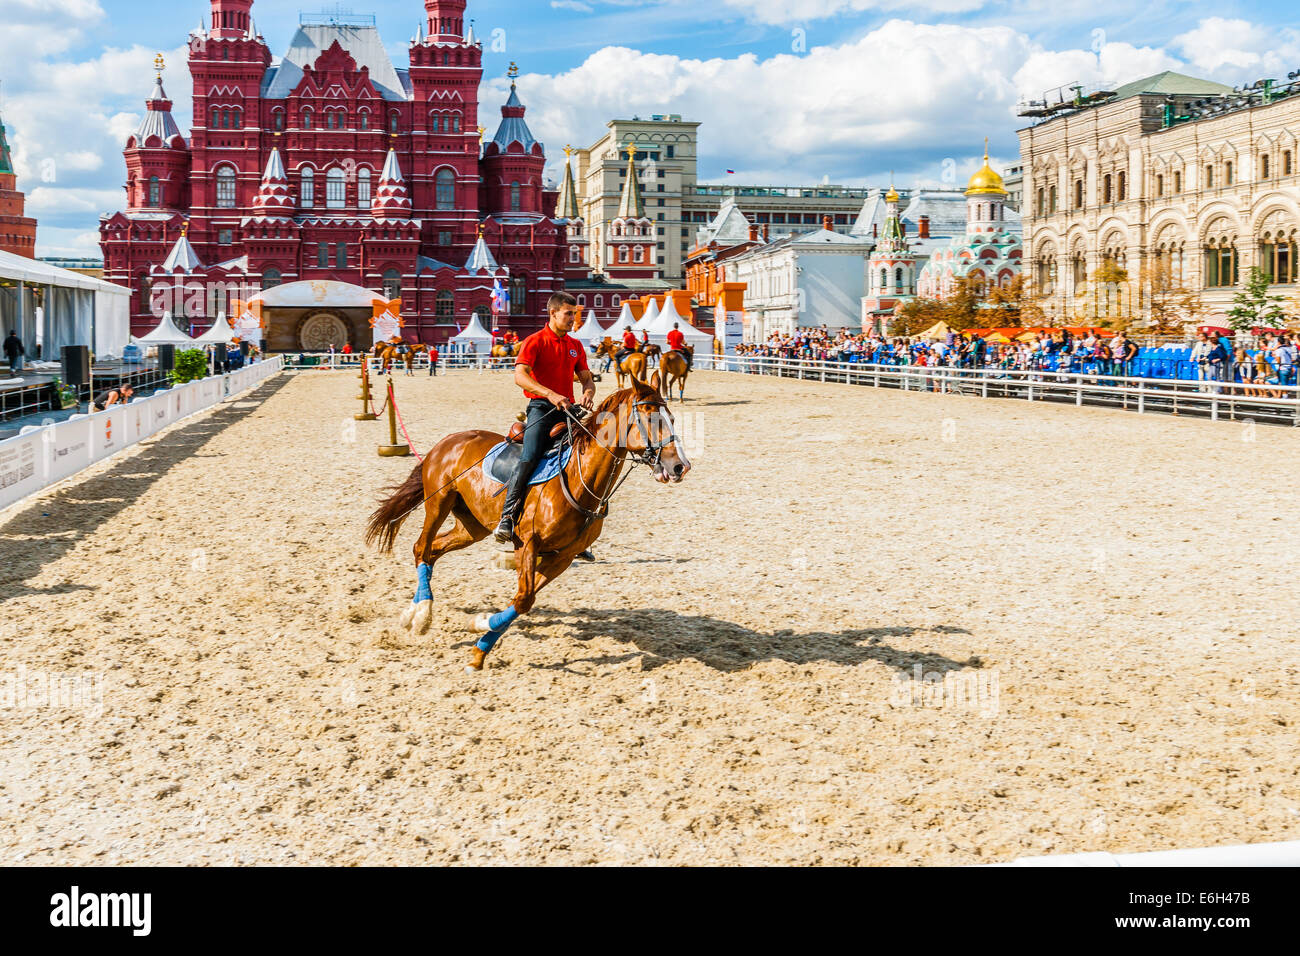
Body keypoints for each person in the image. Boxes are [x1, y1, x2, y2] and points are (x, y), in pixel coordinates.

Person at [492, 292, 596, 547]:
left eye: (575, 313)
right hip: (541, 408)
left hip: (570, 410)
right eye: (568, 313)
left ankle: (578, 532)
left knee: (590, 459)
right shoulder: (534, 341)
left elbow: (586, 377)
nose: (573, 318)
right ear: (553, 313)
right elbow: (520, 376)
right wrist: (550, 394)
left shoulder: (576, 345)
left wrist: (588, 392)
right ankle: (507, 516)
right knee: (529, 457)